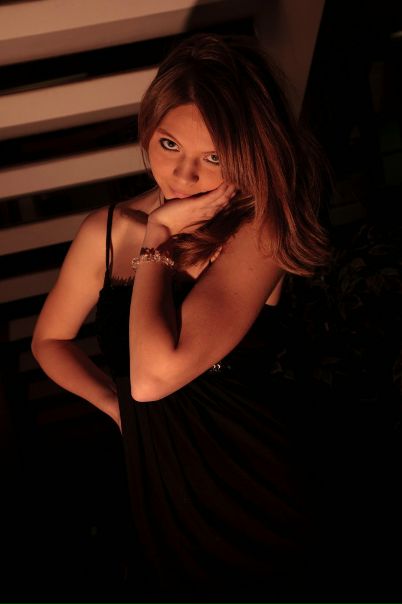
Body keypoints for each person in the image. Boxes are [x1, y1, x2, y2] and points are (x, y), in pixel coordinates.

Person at [31, 32, 330, 599]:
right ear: (148, 128)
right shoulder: (106, 230)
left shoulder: (261, 227)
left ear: (248, 152)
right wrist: (115, 409)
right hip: (157, 480)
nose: (184, 175)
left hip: (252, 480)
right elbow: (50, 340)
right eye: (169, 144)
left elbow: (154, 376)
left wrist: (158, 239)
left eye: (214, 157)